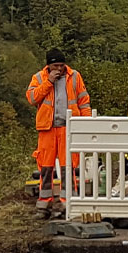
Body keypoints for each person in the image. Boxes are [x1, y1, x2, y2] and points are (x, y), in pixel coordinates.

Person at [26, 48, 92, 213]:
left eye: (61, 65)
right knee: (46, 166)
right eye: (56, 65)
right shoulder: (39, 77)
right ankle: (45, 201)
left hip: (68, 128)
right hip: (47, 129)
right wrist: (48, 82)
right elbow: (32, 98)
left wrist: (87, 124)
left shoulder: (74, 76)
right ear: (48, 66)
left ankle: (68, 201)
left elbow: (84, 101)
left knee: (68, 165)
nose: (59, 69)